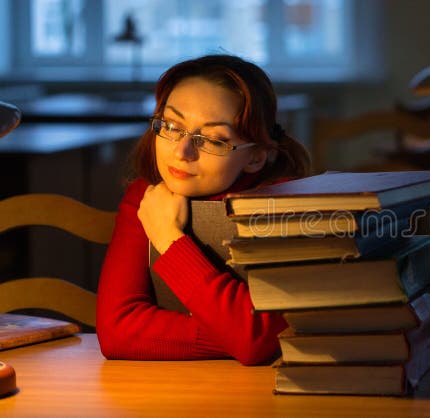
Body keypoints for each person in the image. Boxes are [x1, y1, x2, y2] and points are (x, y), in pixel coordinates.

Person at [96, 55, 310, 365]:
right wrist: (242, 333)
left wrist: (168, 238)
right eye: (171, 126)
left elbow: (255, 338)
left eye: (211, 139)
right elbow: (118, 331)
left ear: (256, 156)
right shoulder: (145, 197)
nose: (182, 151)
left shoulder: (282, 208)